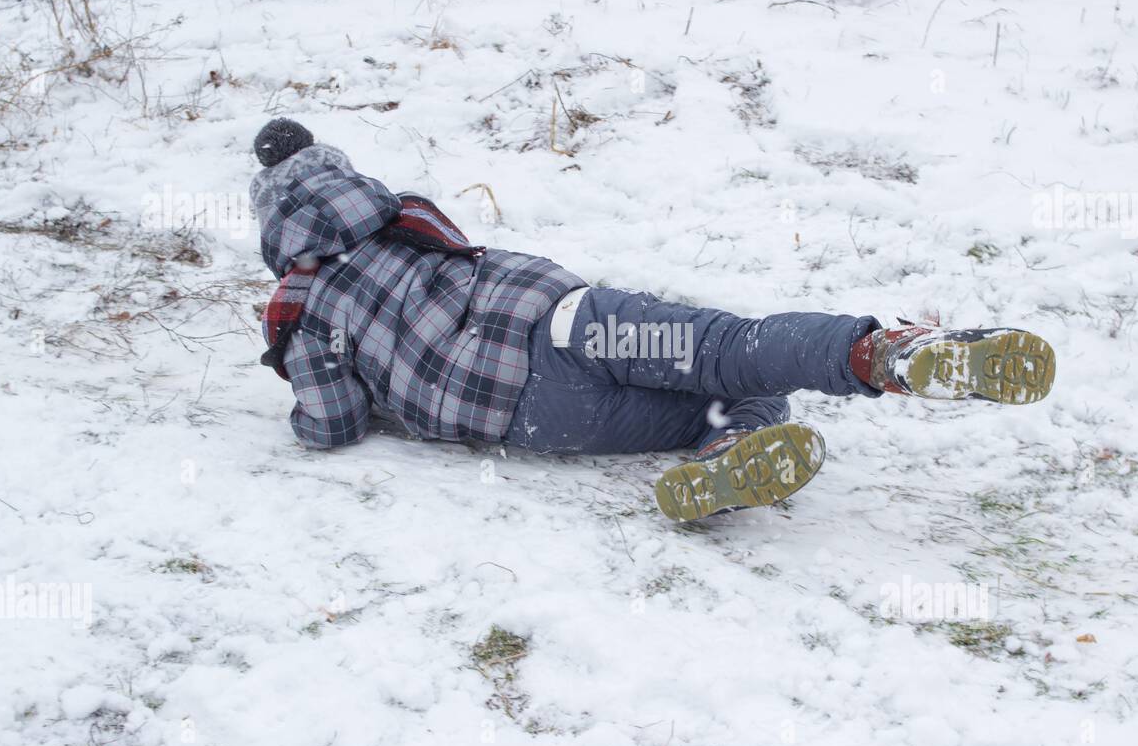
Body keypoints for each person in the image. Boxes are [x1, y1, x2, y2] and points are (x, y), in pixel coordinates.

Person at [250, 119, 1055, 521]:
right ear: (345, 180)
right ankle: (885, 353)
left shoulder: (301, 310)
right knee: (735, 357)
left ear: (276, 230)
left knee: (699, 413)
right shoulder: (406, 217)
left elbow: (331, 426)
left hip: (532, 416)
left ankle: (727, 455)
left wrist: (317, 374)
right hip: (570, 321)